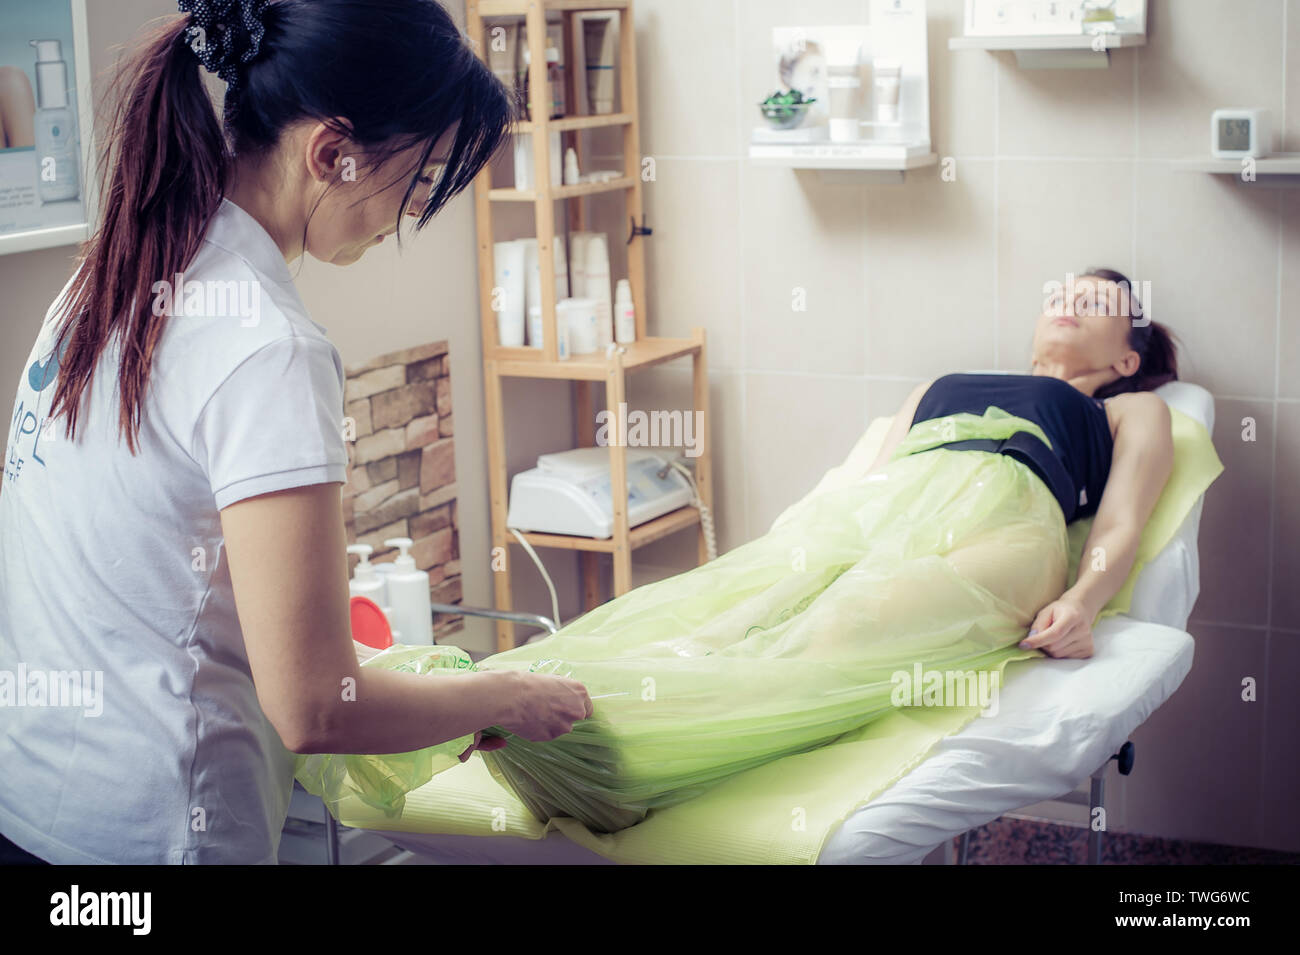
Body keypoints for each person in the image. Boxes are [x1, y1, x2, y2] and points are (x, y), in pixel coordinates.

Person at [0, 0, 589, 865]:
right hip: (158, 835)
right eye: (418, 185)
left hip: (31, 807)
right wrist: (501, 696)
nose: (404, 224)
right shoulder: (269, 350)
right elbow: (316, 704)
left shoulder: (110, 275)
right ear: (331, 153)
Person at [473, 268, 1180, 833]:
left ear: (1127, 355)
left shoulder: (1131, 408)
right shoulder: (943, 382)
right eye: (1060, 292)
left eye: (1095, 298)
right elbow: (866, 473)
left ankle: (631, 764)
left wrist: (1083, 601)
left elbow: (1119, 524)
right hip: (884, 505)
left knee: (850, 622)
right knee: (734, 613)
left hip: (1015, 519)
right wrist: (800, 541)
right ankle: (562, 704)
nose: (1069, 299)